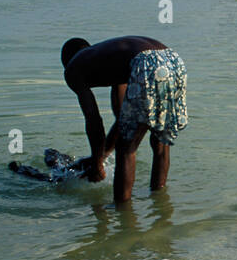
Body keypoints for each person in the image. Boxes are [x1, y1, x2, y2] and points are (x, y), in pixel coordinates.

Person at [61, 35, 188, 204]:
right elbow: (122, 117)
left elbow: (94, 121)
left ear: (66, 61)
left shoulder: (73, 68)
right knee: (160, 141)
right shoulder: (109, 56)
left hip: (147, 62)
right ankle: (159, 201)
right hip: (173, 60)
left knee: (126, 148)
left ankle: (123, 212)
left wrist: (97, 166)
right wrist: (102, 156)